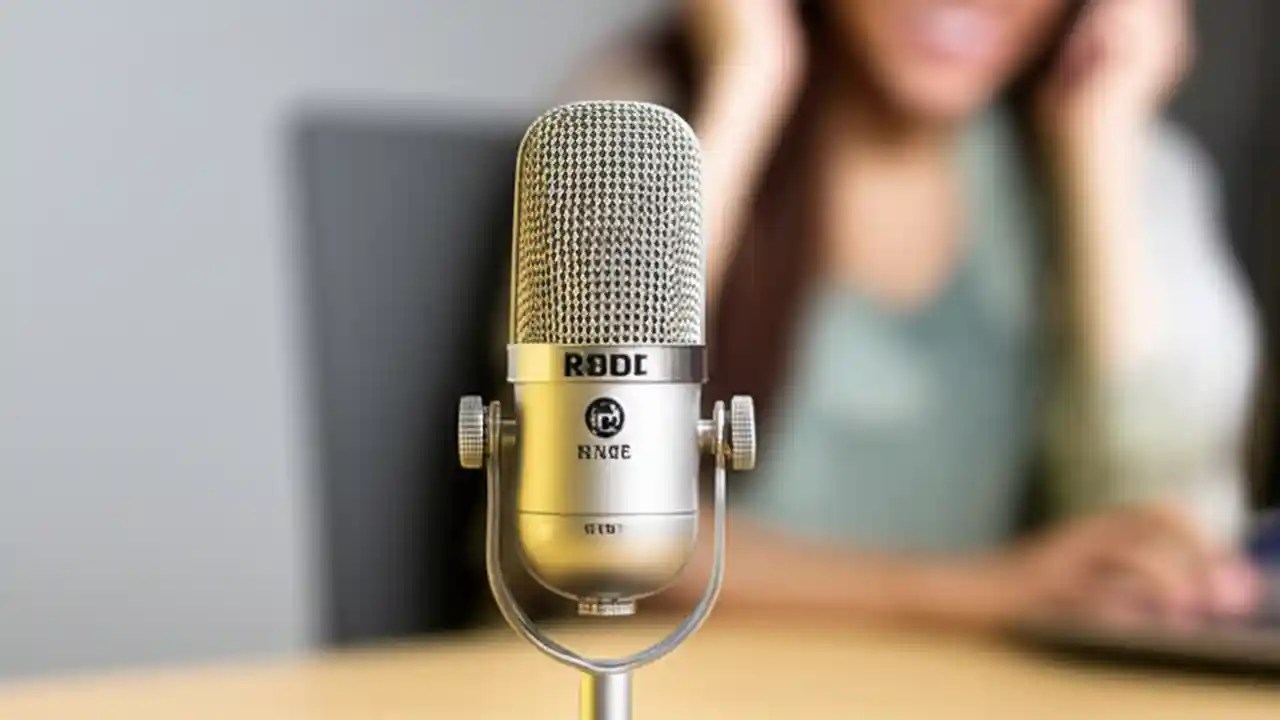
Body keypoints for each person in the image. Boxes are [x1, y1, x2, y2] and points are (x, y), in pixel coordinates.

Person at [564, 0, 1262, 629]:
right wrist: (746, 83)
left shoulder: (1118, 163)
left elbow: (1164, 542)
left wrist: (1103, 149)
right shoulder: (641, 125)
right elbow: (593, 516)